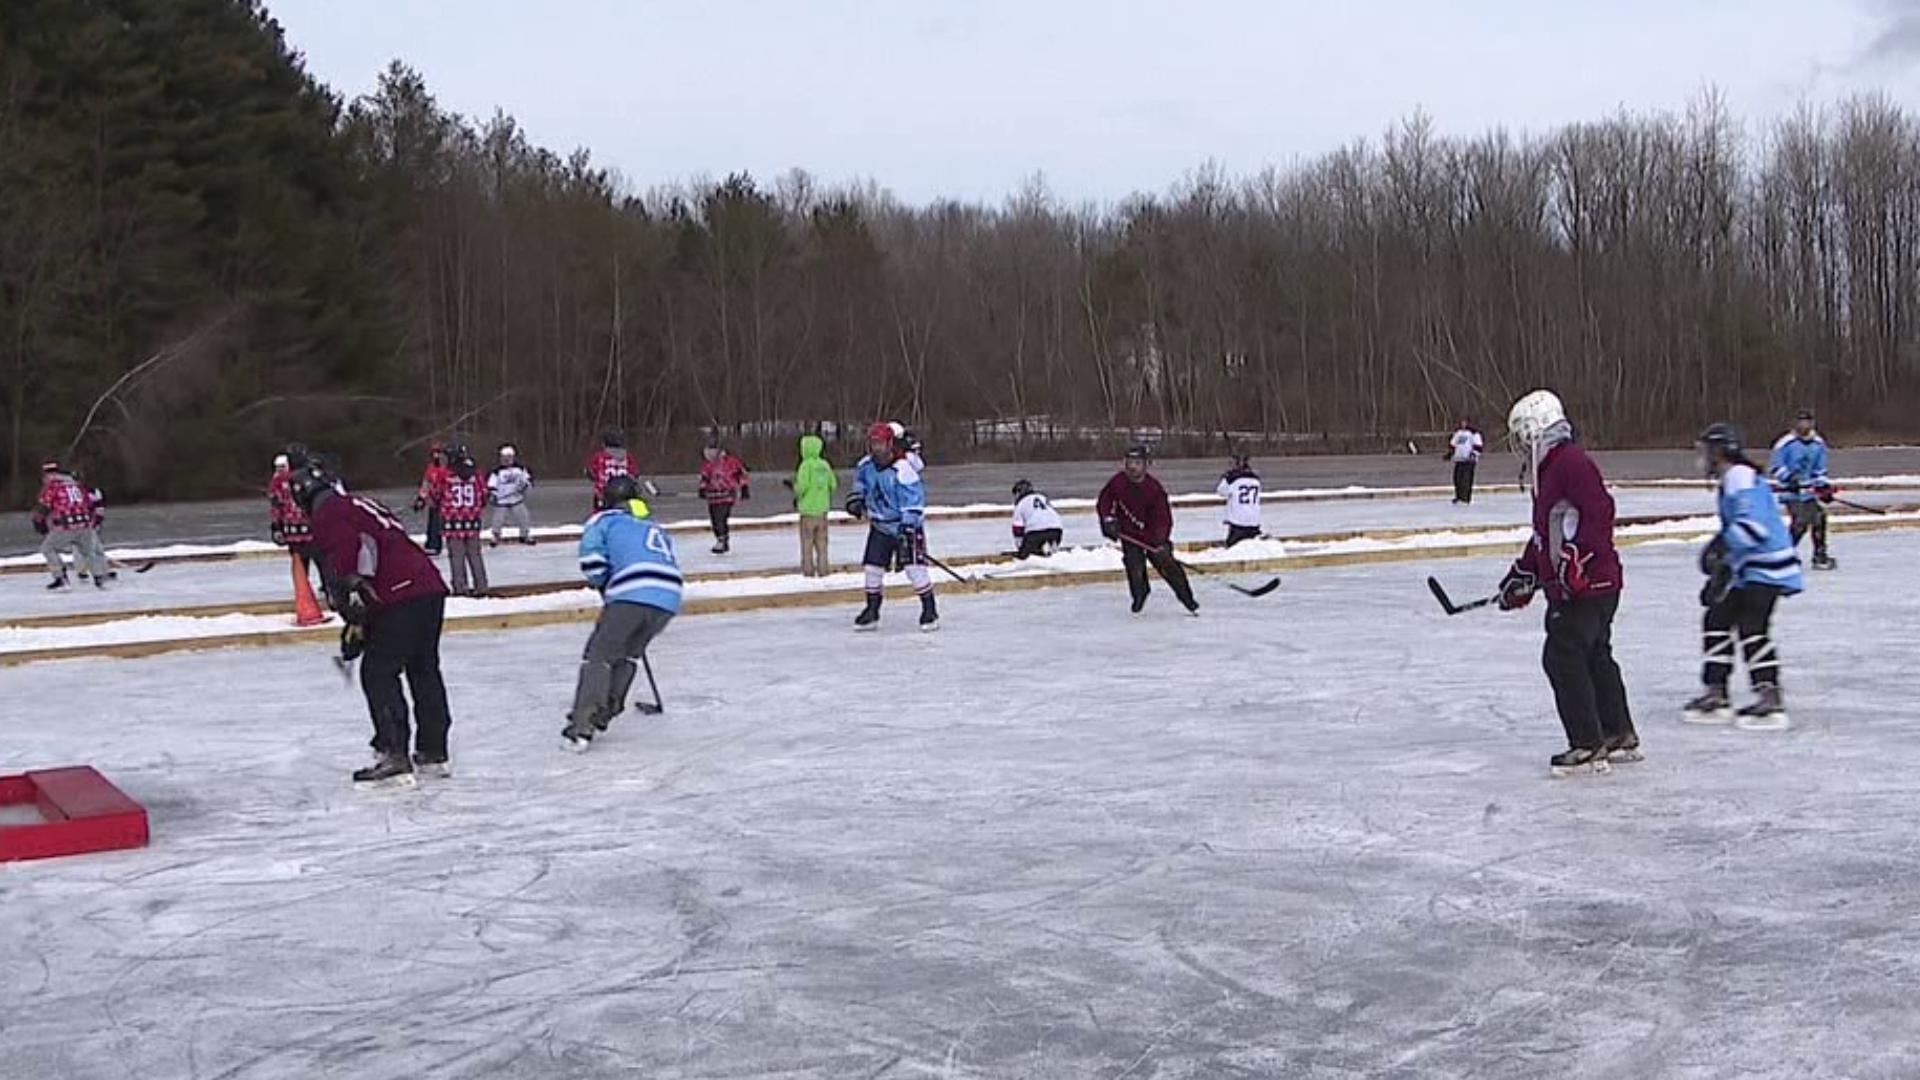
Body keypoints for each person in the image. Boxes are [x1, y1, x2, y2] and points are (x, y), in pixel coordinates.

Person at [1495, 390, 1635, 776]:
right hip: (1587, 584)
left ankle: (1588, 745)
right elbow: (1547, 533)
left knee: (1563, 655)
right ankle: (1617, 733)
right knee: (1594, 654)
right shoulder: (1549, 468)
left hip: (1588, 585)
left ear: (1536, 429)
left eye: (1522, 435)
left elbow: (1600, 512)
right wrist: (1522, 574)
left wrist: (1579, 560)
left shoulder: (1569, 462)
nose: (1520, 445)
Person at [293, 459, 452, 788]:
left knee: (378, 671)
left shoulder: (329, 513)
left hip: (400, 594)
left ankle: (394, 754)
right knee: (423, 669)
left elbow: (350, 562)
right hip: (427, 588)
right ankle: (433, 752)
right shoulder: (359, 504)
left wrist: (352, 607)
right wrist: (359, 622)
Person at [1686, 423, 1803, 731]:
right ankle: (1716, 690)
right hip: (1751, 569)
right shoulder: (1733, 478)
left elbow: (1754, 528)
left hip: (1767, 568)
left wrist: (1721, 547)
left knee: (1753, 627)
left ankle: (1769, 694)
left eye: (1707, 451)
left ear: (1721, 451)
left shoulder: (1739, 477)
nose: (1703, 459)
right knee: (1716, 618)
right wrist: (1723, 572)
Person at [563, 476, 684, 751]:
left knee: (599, 655)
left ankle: (582, 725)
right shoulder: (649, 523)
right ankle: (606, 710)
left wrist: (602, 582)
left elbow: (592, 561)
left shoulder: (603, 520)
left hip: (632, 592)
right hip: (668, 596)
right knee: (628, 653)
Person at [846, 421, 938, 631]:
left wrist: (908, 526)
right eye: (873, 443)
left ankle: (929, 609)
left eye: (880, 443)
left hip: (904, 526)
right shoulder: (866, 466)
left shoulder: (903, 469)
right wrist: (856, 500)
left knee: (915, 569)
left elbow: (913, 500)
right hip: (880, 526)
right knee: (872, 568)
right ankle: (872, 610)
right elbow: (860, 484)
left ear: (890, 444)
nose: (876, 448)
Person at [1097, 443, 1198, 615]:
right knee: (1134, 565)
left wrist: (1160, 542)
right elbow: (1104, 501)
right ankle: (1140, 594)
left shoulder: (1154, 489)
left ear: (1146, 465)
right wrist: (1108, 520)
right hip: (1129, 534)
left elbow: (1163, 520)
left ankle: (1186, 598)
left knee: (1168, 566)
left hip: (1152, 536)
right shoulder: (1118, 482)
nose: (1132, 467)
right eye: (1129, 463)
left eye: (1137, 463)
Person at [1769, 407, 1835, 570]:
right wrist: (1789, 479)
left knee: (1819, 518)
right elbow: (1776, 467)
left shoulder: (1818, 444)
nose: (1804, 425)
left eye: (1807, 422)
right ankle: (1785, 555)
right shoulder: (1785, 444)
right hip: (1791, 492)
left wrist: (1823, 487)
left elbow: (1819, 470)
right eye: (1801, 422)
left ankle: (1820, 555)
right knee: (1800, 522)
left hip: (1808, 492)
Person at [31, 459, 110, 590]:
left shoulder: (52, 486)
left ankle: (60, 577)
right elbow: (89, 503)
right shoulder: (76, 485)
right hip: (84, 524)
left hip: (66, 525)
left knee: (48, 548)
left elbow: (43, 506)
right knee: (88, 551)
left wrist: (38, 522)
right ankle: (99, 577)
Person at [437, 446, 489, 597]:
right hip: (472, 520)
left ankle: (460, 588)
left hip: (452, 522)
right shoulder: (476, 474)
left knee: (456, 557)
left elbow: (436, 494)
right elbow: (484, 494)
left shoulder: (445, 475)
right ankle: (481, 586)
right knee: (475, 555)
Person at [788, 433, 837, 577]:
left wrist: (795, 489)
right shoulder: (824, 465)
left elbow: (802, 487)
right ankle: (823, 570)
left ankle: (808, 571)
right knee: (822, 544)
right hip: (822, 511)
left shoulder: (805, 466)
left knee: (807, 543)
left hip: (808, 511)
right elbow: (833, 484)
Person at [697, 436, 750, 554]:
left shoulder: (731, 462)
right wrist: (702, 489)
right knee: (714, 520)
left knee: (721, 518)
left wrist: (744, 487)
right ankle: (720, 538)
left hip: (727, 495)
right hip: (713, 497)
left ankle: (722, 540)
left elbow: (741, 474)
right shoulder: (708, 464)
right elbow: (704, 477)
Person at [487, 443, 535, 546]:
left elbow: (527, 479)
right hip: (502, 501)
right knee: (498, 519)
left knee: (523, 516)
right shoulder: (497, 471)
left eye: (509, 457)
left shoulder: (520, 469)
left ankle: (525, 534)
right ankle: (496, 535)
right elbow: (491, 485)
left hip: (516, 499)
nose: (507, 460)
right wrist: (493, 494)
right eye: (504, 458)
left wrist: (524, 486)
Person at [1216, 450, 1262, 547]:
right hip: (1254, 521)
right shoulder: (1256, 480)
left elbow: (1221, 491)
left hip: (1238, 522)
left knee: (1233, 547)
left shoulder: (1233, 480)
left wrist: (1226, 478)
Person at [1009, 478, 1064, 558]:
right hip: (1056, 529)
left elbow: (1018, 528)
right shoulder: (1043, 498)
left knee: (1027, 557)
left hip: (1035, 531)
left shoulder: (1021, 504)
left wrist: (1021, 547)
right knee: (1048, 554)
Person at [412, 442, 450, 556]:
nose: (436, 456)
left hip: (444, 500)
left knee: (439, 523)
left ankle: (438, 544)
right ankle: (431, 544)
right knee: (432, 521)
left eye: (438, 453)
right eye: (434, 453)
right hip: (433, 500)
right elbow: (426, 483)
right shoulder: (431, 468)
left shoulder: (447, 469)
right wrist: (421, 498)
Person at [586, 429, 632, 513]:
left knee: (599, 515)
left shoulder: (599, 457)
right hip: (626, 494)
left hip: (604, 495)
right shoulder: (627, 458)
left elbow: (591, 472)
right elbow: (634, 473)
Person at [1447, 420, 1484, 504]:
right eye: (1462, 422)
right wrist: (1450, 454)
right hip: (1459, 459)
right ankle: (1458, 496)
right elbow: (1453, 445)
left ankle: (1466, 497)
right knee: (1457, 479)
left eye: (1465, 422)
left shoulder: (1474, 434)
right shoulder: (1458, 433)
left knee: (1466, 479)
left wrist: (1473, 454)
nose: (1463, 424)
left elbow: (1478, 446)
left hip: (1469, 461)